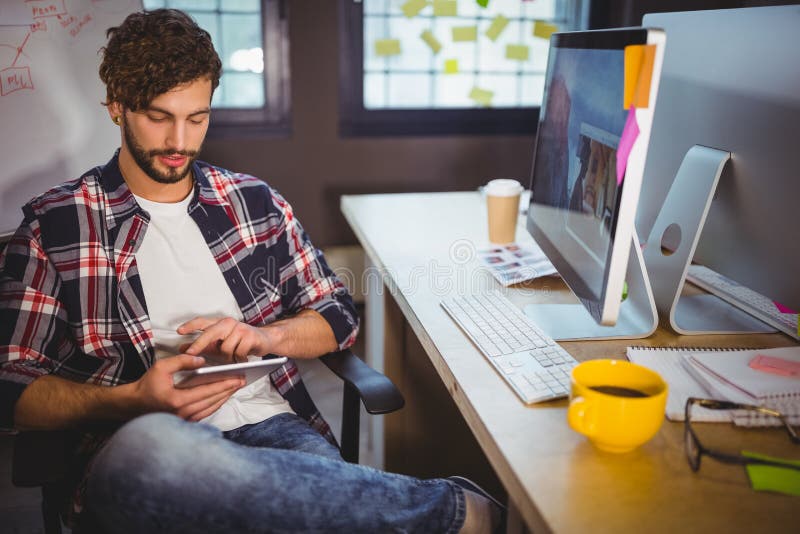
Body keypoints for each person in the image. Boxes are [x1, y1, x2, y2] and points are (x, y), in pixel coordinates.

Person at [0, 9, 502, 534]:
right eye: (159, 116)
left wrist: (263, 335)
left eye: (197, 118)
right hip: (139, 439)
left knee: (313, 488)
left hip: (272, 428)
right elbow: (12, 389)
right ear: (117, 108)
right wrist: (133, 399)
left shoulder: (252, 201)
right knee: (160, 453)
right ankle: (463, 514)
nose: (180, 141)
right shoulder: (56, 224)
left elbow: (335, 313)